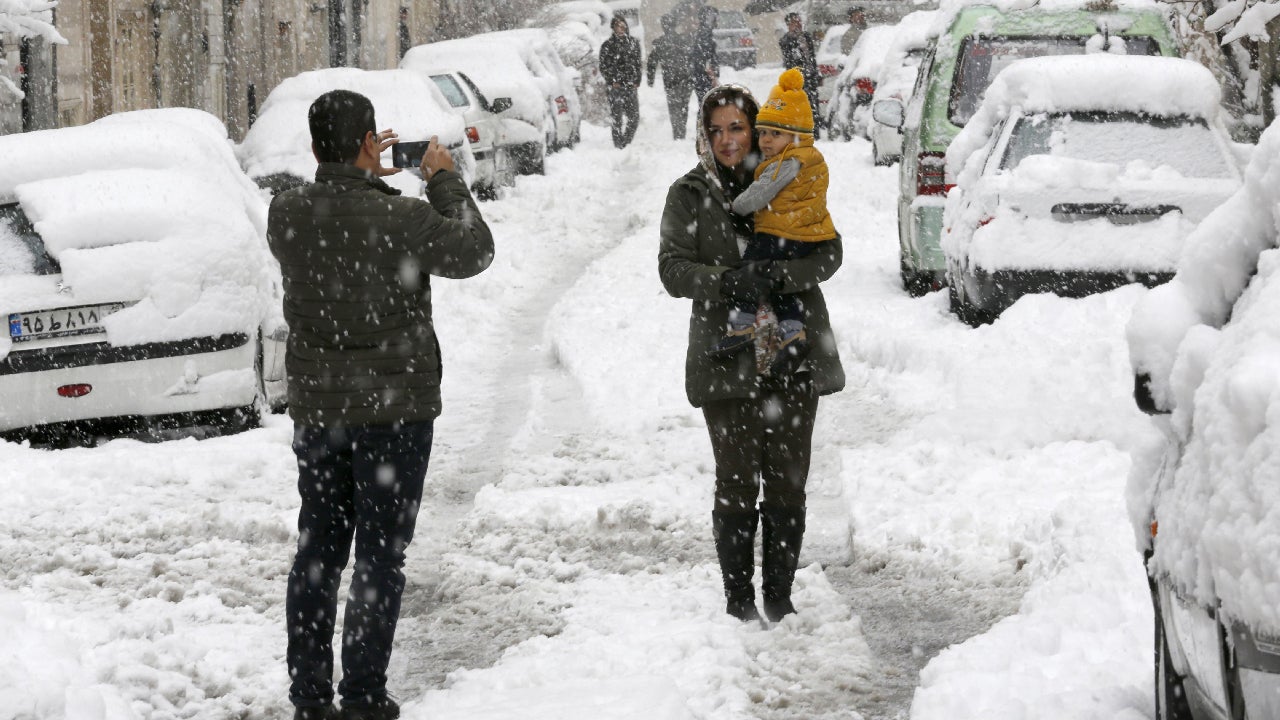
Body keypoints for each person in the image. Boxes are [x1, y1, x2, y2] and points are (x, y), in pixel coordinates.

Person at [267, 89, 494, 720]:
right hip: (394, 414)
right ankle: (363, 696)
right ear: (372, 142)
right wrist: (442, 180)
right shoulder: (404, 219)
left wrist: (358, 177)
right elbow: (473, 250)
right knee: (378, 556)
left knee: (318, 551)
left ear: (315, 147)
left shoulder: (285, 214)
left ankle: (310, 698)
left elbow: (334, 219)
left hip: (321, 413)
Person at [658, 84, 845, 625]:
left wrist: (785, 274)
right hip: (727, 357)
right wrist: (729, 282)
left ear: (754, 127)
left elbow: (829, 249)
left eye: (737, 127)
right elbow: (673, 270)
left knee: (788, 479)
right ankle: (738, 600)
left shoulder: (792, 171)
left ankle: (779, 596)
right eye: (715, 130)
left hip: (792, 349)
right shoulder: (690, 193)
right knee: (736, 480)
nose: (726, 140)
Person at [708, 68, 837, 378]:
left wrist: (737, 207)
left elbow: (756, 196)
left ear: (796, 136)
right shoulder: (809, 159)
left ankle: (741, 326)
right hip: (799, 237)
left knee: (751, 272)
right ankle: (793, 334)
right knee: (782, 289)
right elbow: (673, 268)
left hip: (777, 233)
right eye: (763, 132)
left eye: (773, 133)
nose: (765, 140)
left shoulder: (784, 163)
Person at [646, 13, 694, 140]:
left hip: (671, 80)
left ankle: (677, 133)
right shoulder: (683, 40)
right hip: (685, 79)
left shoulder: (661, 43)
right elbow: (692, 59)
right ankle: (681, 132)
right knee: (684, 106)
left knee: (674, 107)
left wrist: (650, 79)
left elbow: (652, 62)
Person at [599, 15, 643, 148]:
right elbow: (603, 66)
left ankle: (626, 142)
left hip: (630, 85)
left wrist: (637, 80)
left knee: (634, 118)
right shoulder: (608, 45)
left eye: (623, 25)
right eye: (618, 25)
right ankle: (618, 145)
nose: (621, 28)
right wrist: (612, 81)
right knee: (617, 118)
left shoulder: (633, 43)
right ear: (613, 27)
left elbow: (638, 64)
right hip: (615, 87)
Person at [779, 12, 821, 137]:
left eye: (799, 21)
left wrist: (815, 73)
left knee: (813, 104)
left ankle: (815, 130)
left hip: (810, 77)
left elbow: (812, 57)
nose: (798, 24)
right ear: (789, 25)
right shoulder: (786, 40)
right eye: (795, 22)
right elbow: (790, 61)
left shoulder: (806, 36)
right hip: (797, 79)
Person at [692, 5, 721, 103]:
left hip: (701, 77)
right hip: (704, 78)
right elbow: (704, 57)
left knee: (705, 105)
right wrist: (712, 76)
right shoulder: (705, 34)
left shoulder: (703, 32)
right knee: (706, 106)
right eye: (715, 17)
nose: (717, 20)